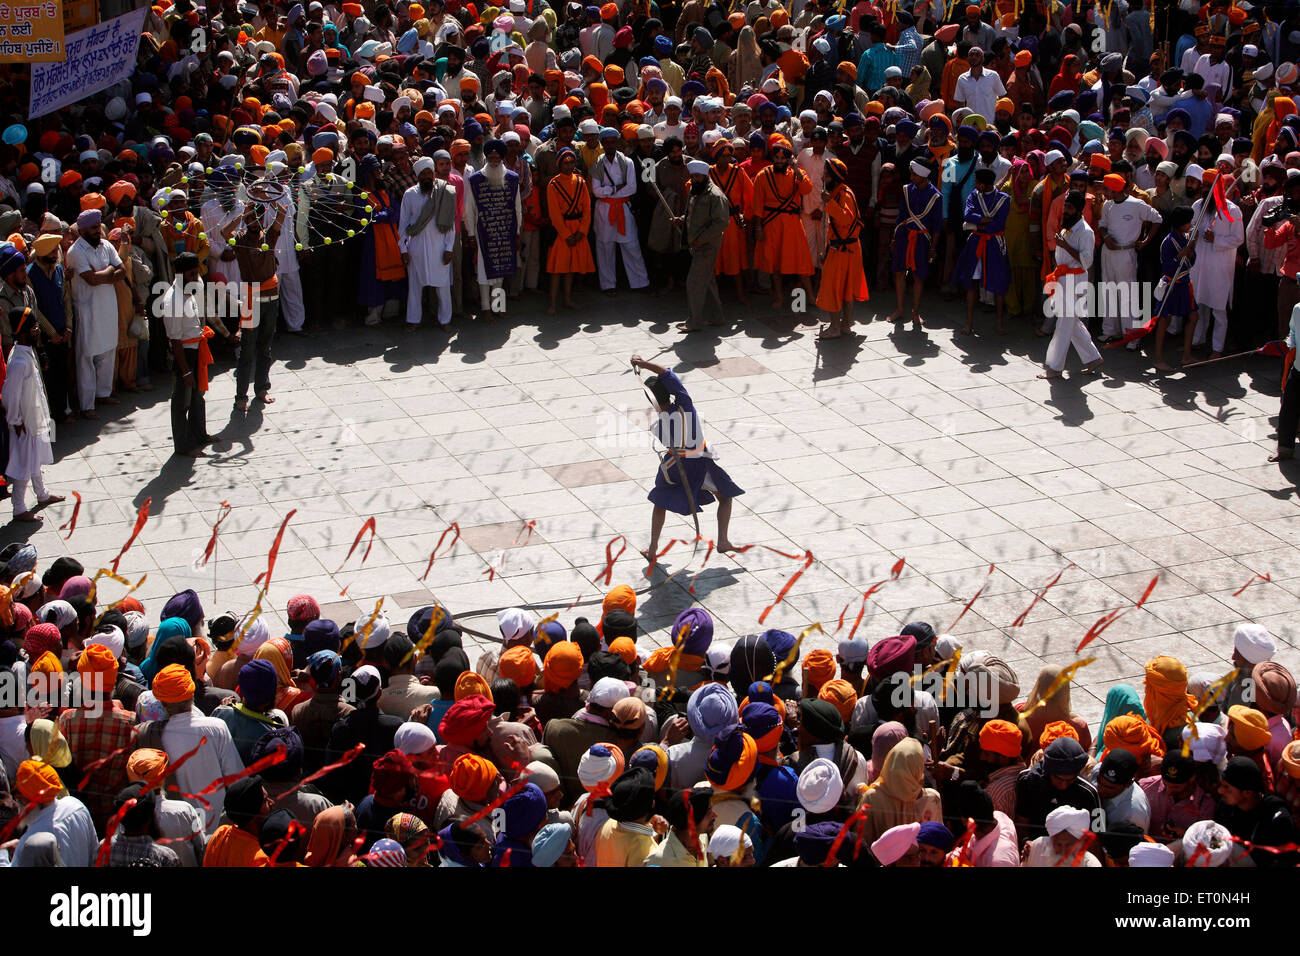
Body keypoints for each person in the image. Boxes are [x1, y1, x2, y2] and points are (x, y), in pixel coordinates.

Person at [631, 355, 744, 560]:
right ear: (670, 393)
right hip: (699, 463)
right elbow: (665, 373)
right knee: (725, 498)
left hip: (674, 466)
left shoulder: (659, 423)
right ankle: (723, 540)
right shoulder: (685, 407)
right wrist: (643, 364)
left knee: (660, 503)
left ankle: (653, 549)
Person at [158, 252, 224, 457]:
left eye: (197, 274)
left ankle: (199, 435)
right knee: (181, 402)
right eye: (192, 274)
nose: (196, 278)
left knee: (198, 396)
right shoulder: (172, 300)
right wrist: (186, 372)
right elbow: (175, 341)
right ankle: (183, 446)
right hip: (184, 355)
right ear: (179, 275)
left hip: (197, 349)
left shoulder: (192, 287)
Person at [3, 308, 63, 523]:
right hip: (23, 423)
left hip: (33, 419)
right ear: (21, 332)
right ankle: (19, 508)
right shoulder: (19, 362)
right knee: (24, 465)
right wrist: (16, 421)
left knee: (35, 458)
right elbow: (9, 396)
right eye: (33, 327)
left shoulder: (27, 353)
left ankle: (42, 493)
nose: (37, 330)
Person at [64, 209, 122, 419]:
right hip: (87, 309)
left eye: (99, 226)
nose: (99, 230)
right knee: (87, 356)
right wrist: (109, 271)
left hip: (108, 307)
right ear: (82, 230)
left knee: (108, 350)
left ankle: (103, 393)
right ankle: (87, 405)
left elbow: (122, 270)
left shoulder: (106, 245)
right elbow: (91, 279)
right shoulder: (75, 251)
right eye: (94, 228)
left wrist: (104, 273)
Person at [1040, 190, 1103, 379]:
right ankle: (1092, 357)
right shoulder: (1066, 226)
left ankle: (1055, 366)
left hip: (1075, 281)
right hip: (1062, 279)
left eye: (1069, 207)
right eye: (1065, 206)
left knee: (1063, 324)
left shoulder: (1086, 232)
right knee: (1070, 321)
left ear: (1078, 210)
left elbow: (1086, 261)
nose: (1065, 210)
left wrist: (1066, 247)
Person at [751, 135, 814, 309]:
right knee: (775, 266)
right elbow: (757, 205)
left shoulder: (796, 173)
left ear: (788, 158)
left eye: (783, 158)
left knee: (801, 264)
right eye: (776, 158)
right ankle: (779, 298)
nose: (779, 161)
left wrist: (797, 168)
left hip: (793, 225)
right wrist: (758, 227)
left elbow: (807, 189)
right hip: (771, 225)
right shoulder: (763, 176)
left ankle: (809, 298)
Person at [464, 139, 523, 314]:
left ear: (502, 158)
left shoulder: (512, 179)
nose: (494, 160)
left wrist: (517, 232)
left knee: (501, 270)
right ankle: (485, 308)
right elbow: (469, 209)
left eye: (497, 157)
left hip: (505, 233)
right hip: (484, 233)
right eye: (491, 157)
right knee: (483, 272)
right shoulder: (475, 179)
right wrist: (471, 234)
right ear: (487, 157)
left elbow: (517, 208)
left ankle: (498, 307)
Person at [399, 155, 457, 330]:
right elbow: (403, 224)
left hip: (439, 246)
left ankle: (445, 320)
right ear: (417, 176)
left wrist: (449, 248)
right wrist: (403, 249)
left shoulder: (444, 192)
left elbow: (450, 223)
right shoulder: (410, 195)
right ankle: (414, 321)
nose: (426, 177)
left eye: (428, 173)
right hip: (416, 247)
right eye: (422, 174)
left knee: (443, 287)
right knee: (415, 288)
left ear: (433, 173)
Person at [815, 157, 870, 339]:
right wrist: (825, 249)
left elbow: (846, 218)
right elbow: (832, 228)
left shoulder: (844, 194)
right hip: (842, 248)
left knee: (833, 288)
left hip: (844, 250)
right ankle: (845, 324)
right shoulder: (838, 192)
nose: (823, 177)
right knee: (845, 289)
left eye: (826, 174)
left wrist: (829, 203)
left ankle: (836, 327)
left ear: (834, 176)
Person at [590, 126, 650, 294]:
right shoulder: (597, 163)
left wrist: (608, 190)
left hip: (623, 209)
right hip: (604, 210)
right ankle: (608, 285)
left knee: (631, 245)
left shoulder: (627, 162)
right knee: (604, 247)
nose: (609, 145)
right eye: (606, 142)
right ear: (602, 143)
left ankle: (640, 282)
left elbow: (631, 188)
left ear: (617, 143)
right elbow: (596, 191)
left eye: (612, 142)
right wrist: (616, 189)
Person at [953, 166, 1011, 335]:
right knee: (972, 282)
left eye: (978, 182)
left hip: (994, 244)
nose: (976, 185)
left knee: (999, 285)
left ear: (986, 184)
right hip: (976, 242)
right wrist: (983, 221)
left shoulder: (1004, 199)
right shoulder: (974, 195)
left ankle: (999, 323)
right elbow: (968, 214)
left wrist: (979, 223)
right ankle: (969, 322)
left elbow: (999, 224)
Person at [887, 160, 943, 328]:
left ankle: (916, 311)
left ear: (923, 175)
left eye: (914, 174)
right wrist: (894, 238)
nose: (911, 177)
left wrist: (933, 247)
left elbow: (937, 224)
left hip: (922, 239)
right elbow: (901, 215)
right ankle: (899, 308)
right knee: (899, 272)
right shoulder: (906, 190)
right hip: (905, 236)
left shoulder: (936, 196)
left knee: (918, 276)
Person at [678, 159, 730, 332]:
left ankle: (695, 321)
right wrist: (680, 220)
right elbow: (695, 216)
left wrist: (701, 239)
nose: (694, 180)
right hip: (697, 243)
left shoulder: (715, 195)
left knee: (694, 282)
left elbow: (721, 223)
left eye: (698, 177)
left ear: (705, 176)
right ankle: (717, 317)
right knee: (706, 281)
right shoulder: (695, 191)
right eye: (692, 177)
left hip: (708, 245)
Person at [545, 148, 595, 314]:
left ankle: (567, 299)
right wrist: (566, 235)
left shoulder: (581, 182)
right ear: (559, 164)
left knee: (571, 267)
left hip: (578, 228)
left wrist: (582, 231)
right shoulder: (553, 184)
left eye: (572, 162)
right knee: (557, 269)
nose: (569, 166)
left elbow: (587, 208)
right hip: (562, 230)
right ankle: (552, 303)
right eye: (566, 163)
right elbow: (554, 213)